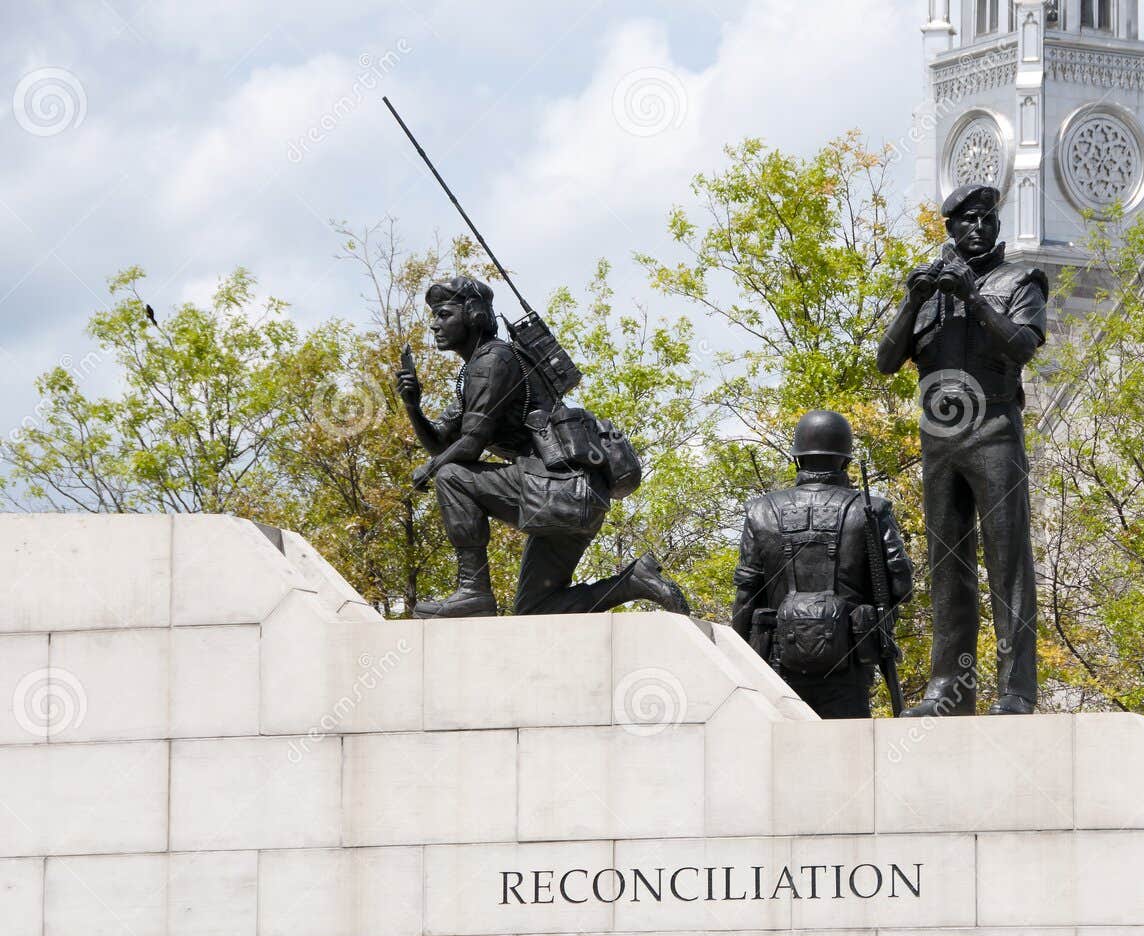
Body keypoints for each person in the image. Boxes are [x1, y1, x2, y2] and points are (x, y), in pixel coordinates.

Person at [395, 275, 689, 618]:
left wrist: (431, 469)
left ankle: (473, 591)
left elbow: (469, 445)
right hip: (575, 496)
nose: (435, 325)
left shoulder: (493, 362)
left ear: (473, 313)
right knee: (537, 609)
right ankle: (633, 582)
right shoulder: (480, 370)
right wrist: (413, 406)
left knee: (451, 476)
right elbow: (442, 442)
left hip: (557, 490)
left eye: (444, 314)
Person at [876, 183, 1048, 716]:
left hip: (994, 426)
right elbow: (885, 362)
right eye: (968, 221)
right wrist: (913, 300)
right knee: (946, 565)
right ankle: (947, 692)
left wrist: (973, 297)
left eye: (988, 219)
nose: (979, 228)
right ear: (950, 229)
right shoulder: (929, 291)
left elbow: (1021, 346)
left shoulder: (1020, 281)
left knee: (1007, 562)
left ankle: (1016, 691)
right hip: (939, 437)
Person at [731, 411, 913, 719]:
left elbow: (746, 594)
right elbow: (902, 586)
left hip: (777, 663)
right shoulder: (871, 509)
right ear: (845, 459)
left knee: (780, 756)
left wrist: (737, 659)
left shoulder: (760, 511)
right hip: (850, 664)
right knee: (849, 756)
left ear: (797, 459)